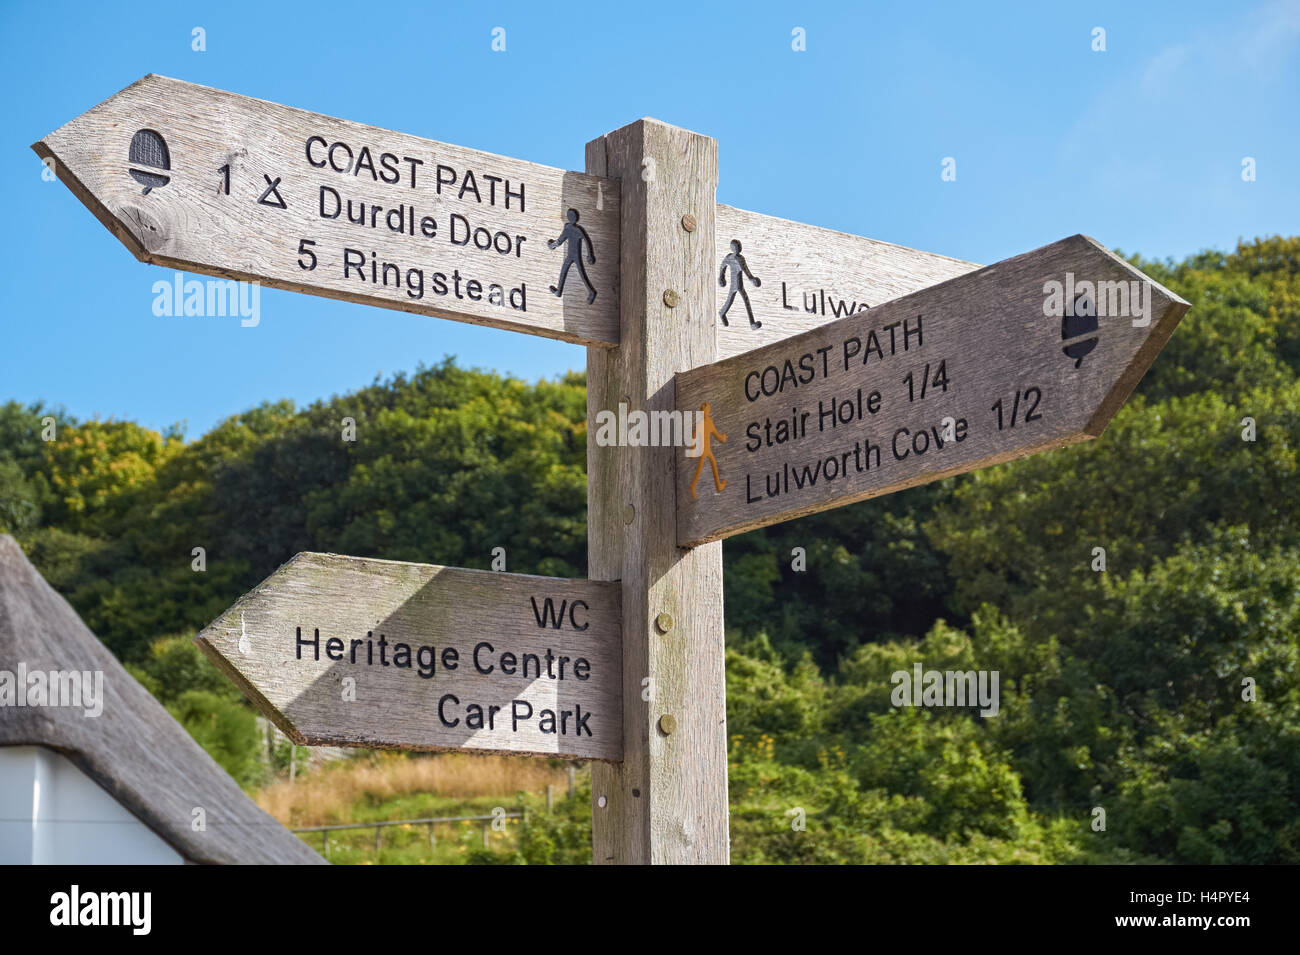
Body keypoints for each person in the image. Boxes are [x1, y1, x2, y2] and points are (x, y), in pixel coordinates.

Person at [548, 208, 597, 304]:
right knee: (573, 272)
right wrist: (589, 254)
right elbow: (586, 240)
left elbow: (559, 241)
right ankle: (559, 291)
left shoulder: (569, 229)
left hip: (572, 255)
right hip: (573, 255)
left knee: (573, 273)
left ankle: (591, 292)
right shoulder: (576, 229)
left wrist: (551, 246)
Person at [719, 239, 761, 328]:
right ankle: (722, 313)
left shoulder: (737, 258)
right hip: (735, 285)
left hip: (739, 285)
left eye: (739, 246)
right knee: (738, 301)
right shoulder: (733, 258)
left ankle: (723, 313)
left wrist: (752, 279)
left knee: (738, 301)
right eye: (738, 247)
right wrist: (721, 278)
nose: (739, 248)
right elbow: (723, 266)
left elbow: (745, 270)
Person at [691, 402, 727, 500]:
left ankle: (718, 485)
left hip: (707, 450)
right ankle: (693, 487)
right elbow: (694, 436)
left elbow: (715, 433)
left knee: (713, 465)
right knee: (699, 470)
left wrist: (722, 438)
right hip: (703, 451)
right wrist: (693, 450)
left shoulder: (709, 422)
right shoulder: (700, 424)